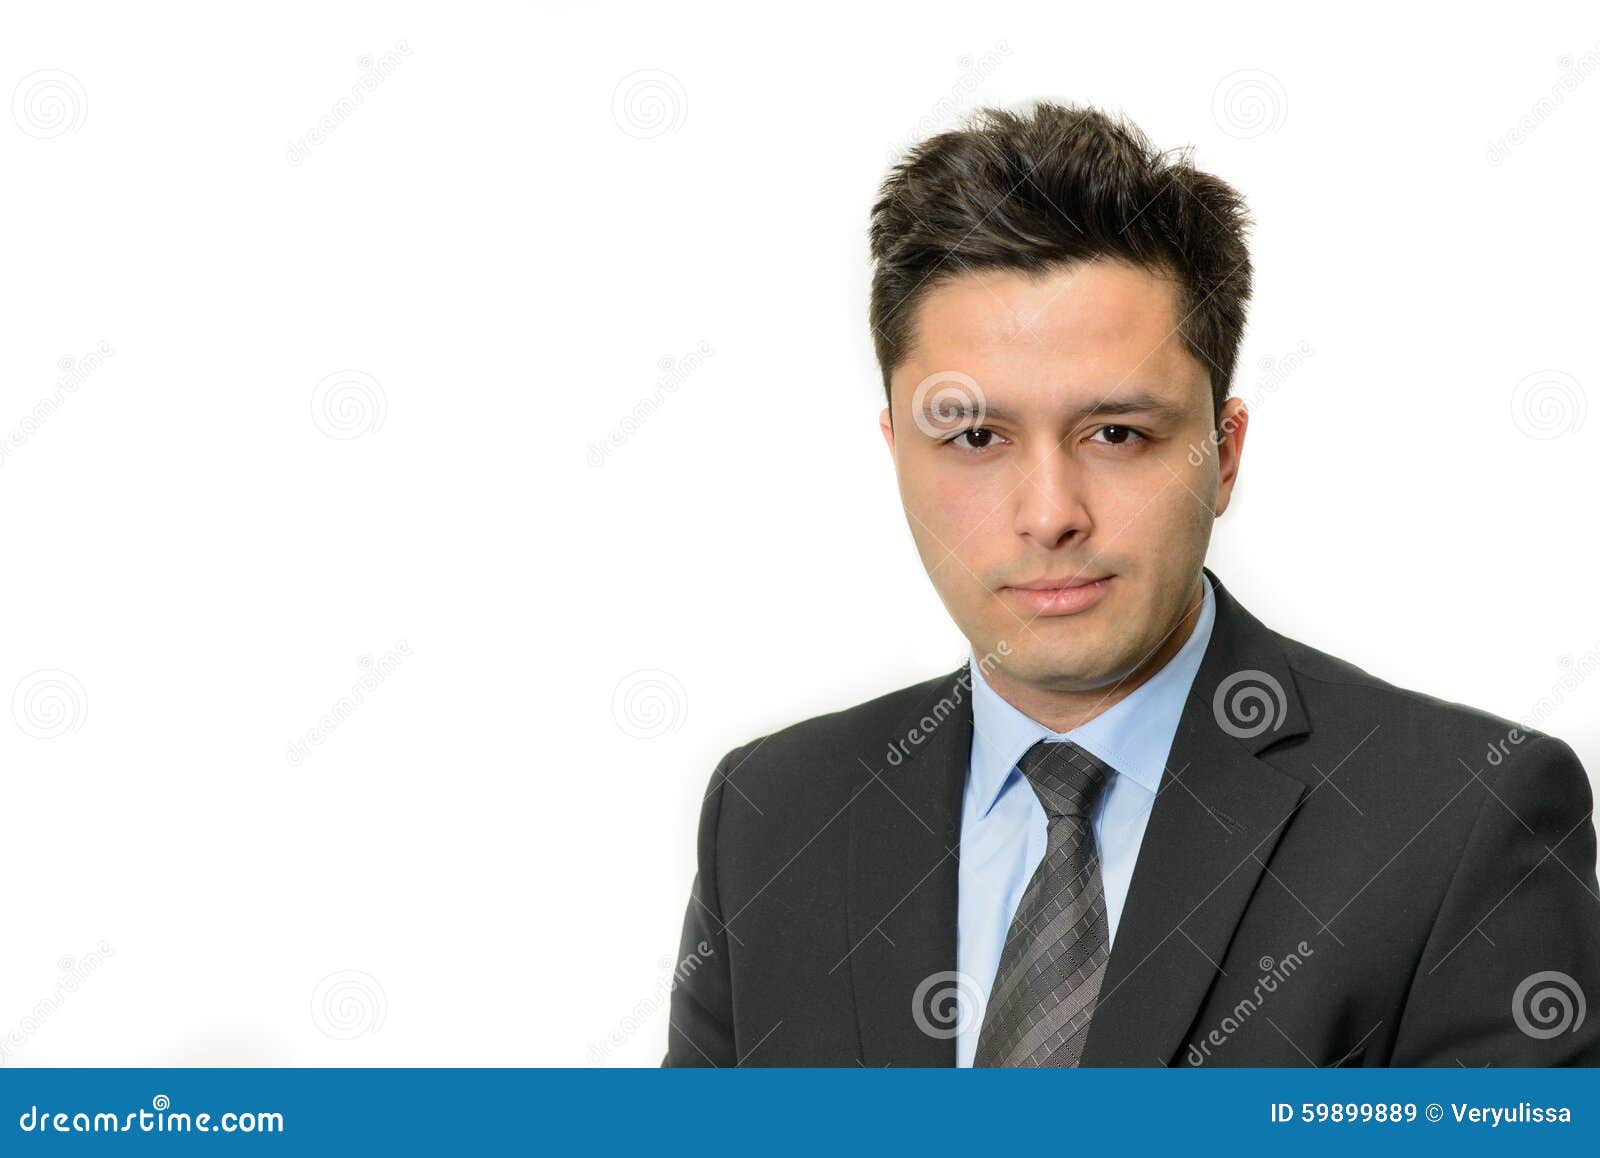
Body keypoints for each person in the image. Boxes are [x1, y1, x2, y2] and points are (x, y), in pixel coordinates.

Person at [663, 100, 1600, 1067]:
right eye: (975, 437)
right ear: (897, 450)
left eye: (1117, 434)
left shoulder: (1457, 822)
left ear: (1223, 455)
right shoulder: (774, 817)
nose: (1049, 512)